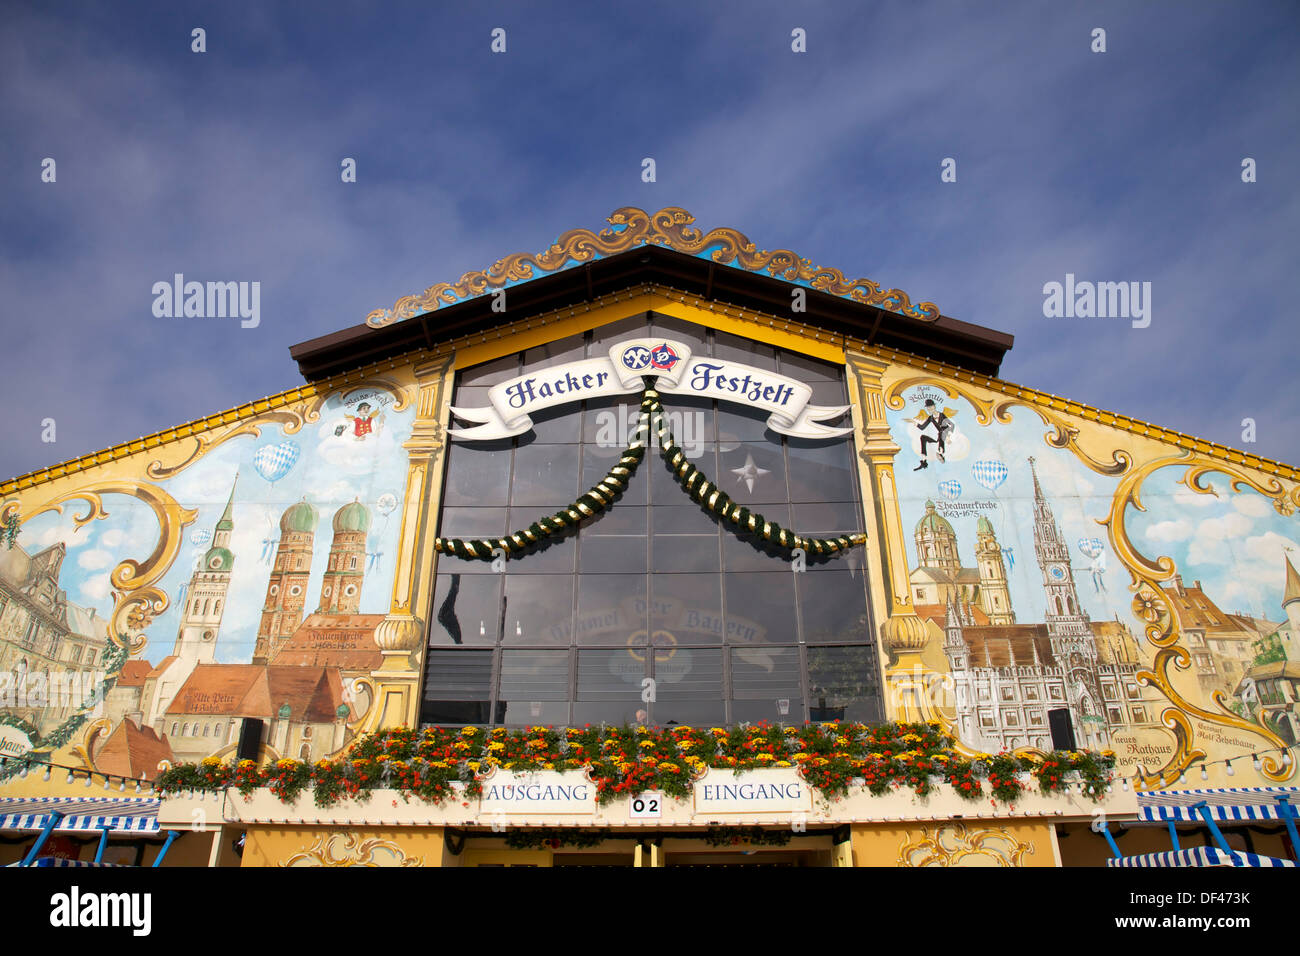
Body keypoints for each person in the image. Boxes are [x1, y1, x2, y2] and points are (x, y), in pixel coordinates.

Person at [914, 400, 954, 470]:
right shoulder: (931, 418)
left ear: (934, 406)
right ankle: (924, 461)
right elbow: (922, 427)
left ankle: (941, 451)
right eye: (928, 408)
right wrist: (915, 423)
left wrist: (948, 436)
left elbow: (952, 425)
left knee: (942, 432)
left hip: (945, 433)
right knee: (923, 437)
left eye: (931, 407)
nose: (930, 409)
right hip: (939, 436)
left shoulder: (942, 415)